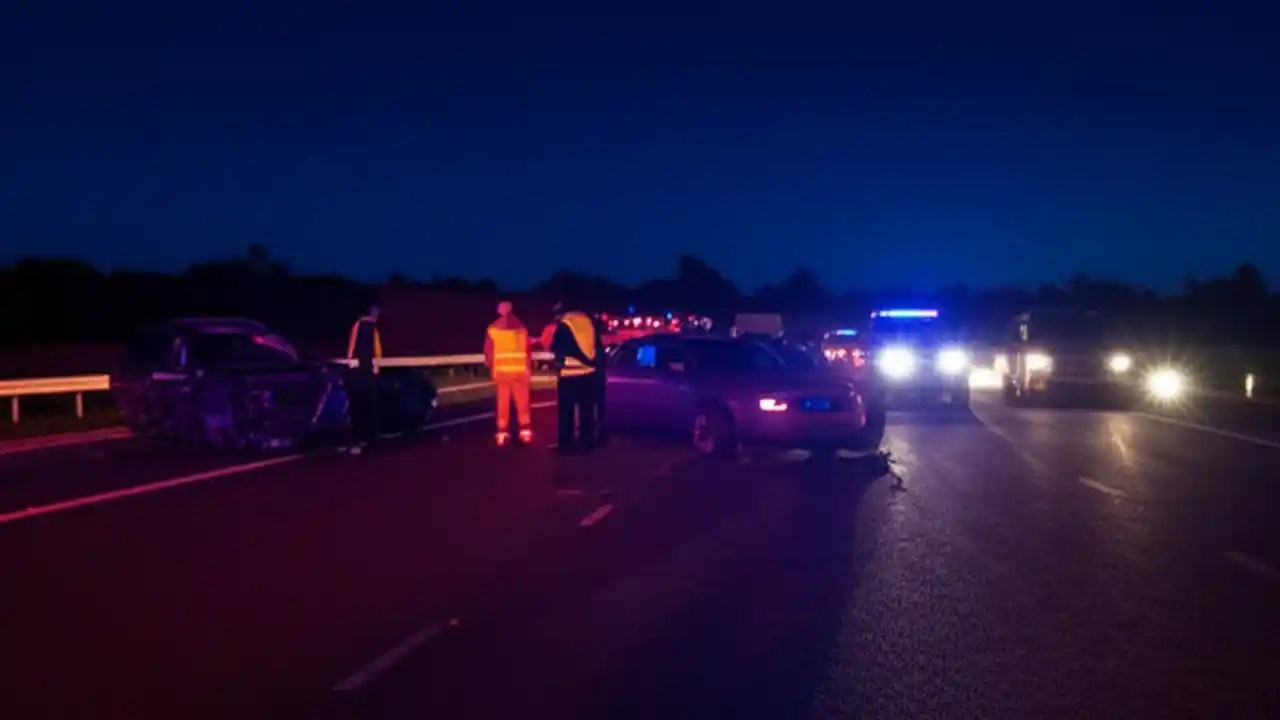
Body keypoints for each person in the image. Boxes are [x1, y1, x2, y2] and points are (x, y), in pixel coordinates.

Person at [550, 305, 601, 452]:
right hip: (589, 373)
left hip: (569, 374)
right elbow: (597, 345)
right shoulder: (588, 321)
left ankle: (565, 443)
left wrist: (557, 366)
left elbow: (558, 347)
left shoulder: (565, 324)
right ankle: (587, 441)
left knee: (566, 411)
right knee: (587, 409)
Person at [484, 300, 534, 446]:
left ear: (500, 311)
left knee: (503, 403)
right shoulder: (522, 328)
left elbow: (488, 351)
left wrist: (491, 365)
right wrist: (528, 367)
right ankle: (525, 432)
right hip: (520, 371)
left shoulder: (493, 329)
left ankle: (502, 433)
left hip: (502, 372)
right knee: (523, 403)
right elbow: (528, 350)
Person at [346, 305, 383, 448]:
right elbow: (377, 350)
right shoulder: (372, 329)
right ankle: (372, 435)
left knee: (359, 404)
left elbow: (351, 347)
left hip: (359, 372)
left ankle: (360, 434)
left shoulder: (359, 326)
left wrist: (350, 361)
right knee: (370, 404)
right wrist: (377, 367)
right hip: (367, 371)